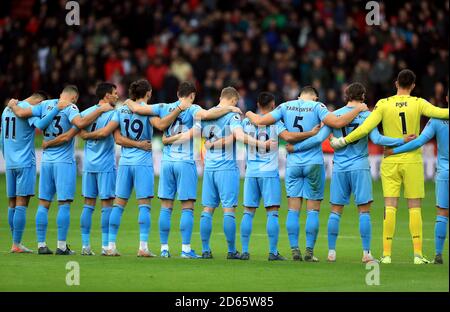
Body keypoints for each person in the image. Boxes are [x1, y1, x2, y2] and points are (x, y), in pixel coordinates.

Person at [331, 69, 449, 264]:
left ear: (396, 84)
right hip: (411, 160)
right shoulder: (419, 103)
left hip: (390, 160)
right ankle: (418, 255)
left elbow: (366, 128)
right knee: (414, 207)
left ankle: (386, 255)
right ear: (412, 85)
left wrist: (343, 140)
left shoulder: (383, 104)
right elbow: (441, 112)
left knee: (390, 207)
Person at [287, 83, 414, 263]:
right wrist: (401, 140)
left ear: (346, 96)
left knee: (335, 211)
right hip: (360, 166)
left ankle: (331, 252)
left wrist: (296, 147)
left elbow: (318, 139)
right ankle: (366, 253)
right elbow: (377, 139)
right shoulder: (367, 115)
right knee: (364, 212)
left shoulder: (335, 115)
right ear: (363, 96)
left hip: (340, 167)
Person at [245, 86, 368, 261]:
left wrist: (248, 112)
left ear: (299, 95)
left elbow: (260, 120)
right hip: (313, 162)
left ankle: (295, 250)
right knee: (313, 211)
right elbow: (338, 123)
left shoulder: (285, 106)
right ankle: (309, 251)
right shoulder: (318, 107)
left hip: (293, 164)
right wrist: (358, 108)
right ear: (315, 97)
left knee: (293, 210)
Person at [127, 81, 242, 258]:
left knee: (166, 206)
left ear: (178, 93)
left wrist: (128, 101)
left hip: (166, 162)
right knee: (187, 207)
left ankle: (164, 249)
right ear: (192, 96)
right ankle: (186, 249)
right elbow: (209, 113)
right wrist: (230, 109)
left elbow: (139, 109)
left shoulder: (164, 106)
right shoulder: (193, 108)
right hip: (185, 162)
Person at [8, 85, 114, 255]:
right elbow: (80, 123)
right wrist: (100, 109)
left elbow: (22, 113)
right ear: (74, 98)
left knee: (43, 204)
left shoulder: (45, 105)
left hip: (46, 161)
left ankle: (41, 244)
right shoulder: (71, 108)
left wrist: (13, 105)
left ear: (60, 95)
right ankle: (61, 246)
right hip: (64, 162)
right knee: (64, 203)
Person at [385, 92, 449, 264]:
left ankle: (438, 254)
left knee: (442, 213)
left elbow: (419, 141)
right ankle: (425, 255)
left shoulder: (437, 120)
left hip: (444, 172)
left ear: (447, 99)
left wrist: (394, 150)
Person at [1, 91, 66, 253]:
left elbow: (2, 138)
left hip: (10, 162)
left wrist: (7, 158)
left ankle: (16, 242)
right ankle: (16, 244)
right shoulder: (28, 109)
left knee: (12, 203)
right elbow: (41, 124)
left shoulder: (7, 109)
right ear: (39, 101)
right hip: (25, 162)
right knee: (22, 202)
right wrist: (55, 109)